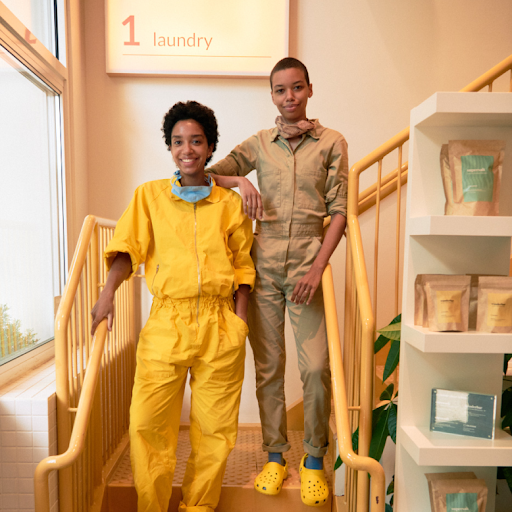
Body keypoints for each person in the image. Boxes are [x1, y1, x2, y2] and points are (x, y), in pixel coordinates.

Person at [90, 101, 255, 512]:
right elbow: (128, 249)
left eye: (196, 140)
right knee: (148, 426)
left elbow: (243, 269)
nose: (187, 149)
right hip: (166, 322)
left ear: (210, 146)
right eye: (178, 141)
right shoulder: (149, 197)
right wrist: (107, 293)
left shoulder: (230, 205)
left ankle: (198, 508)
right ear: (169, 147)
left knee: (215, 431)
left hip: (220, 324)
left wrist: (240, 324)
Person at [208, 57, 348, 507]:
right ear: (271, 95)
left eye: (296, 88)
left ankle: (312, 459)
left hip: (308, 264)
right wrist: (240, 183)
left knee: (315, 368)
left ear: (310, 89)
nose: (289, 97)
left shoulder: (332, 143)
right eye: (280, 90)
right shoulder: (259, 144)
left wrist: (317, 268)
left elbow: (340, 210)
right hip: (262, 265)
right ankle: (274, 456)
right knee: (269, 370)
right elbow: (207, 173)